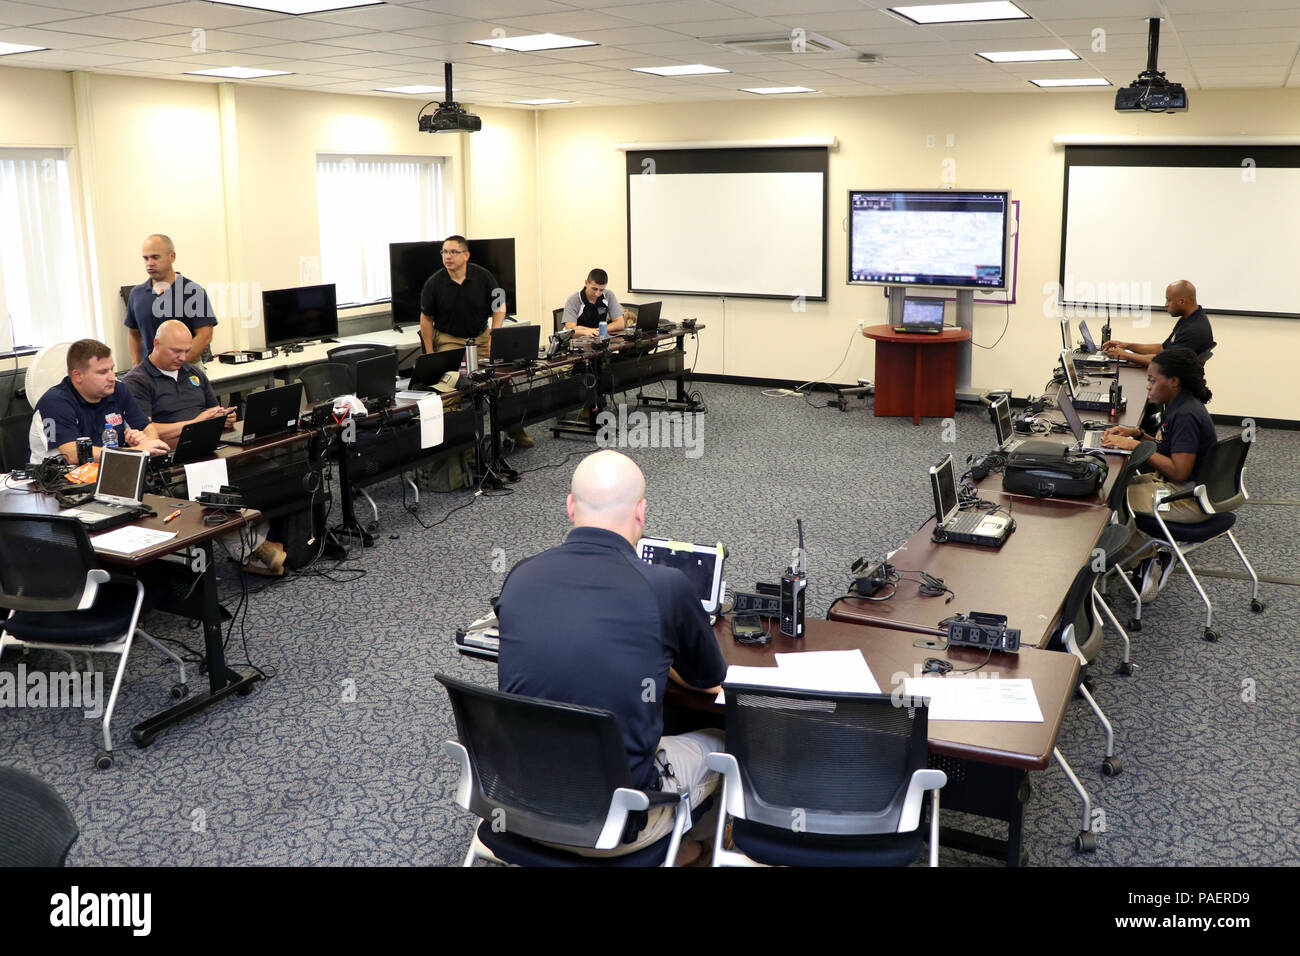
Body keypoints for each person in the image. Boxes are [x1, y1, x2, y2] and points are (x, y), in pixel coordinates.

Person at [495, 450, 726, 864]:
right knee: (722, 741)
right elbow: (709, 679)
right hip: (616, 825)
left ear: (569, 507)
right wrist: (661, 649)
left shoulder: (521, 574)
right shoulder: (665, 588)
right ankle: (688, 850)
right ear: (641, 512)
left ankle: (682, 847)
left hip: (519, 804)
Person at [1102, 347, 1218, 600]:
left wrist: (1136, 447)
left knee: (1110, 500)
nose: (1148, 387)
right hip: (1188, 489)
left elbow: (1178, 471)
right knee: (1120, 485)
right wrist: (1138, 435)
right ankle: (1145, 556)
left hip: (1186, 499)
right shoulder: (1179, 404)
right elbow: (1169, 449)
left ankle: (1146, 561)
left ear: (1174, 381)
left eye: (1153, 381)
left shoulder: (1186, 415)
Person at [418, 235, 530, 446]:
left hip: (481, 336)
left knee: (503, 381)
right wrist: (430, 352)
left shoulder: (484, 277)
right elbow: (426, 319)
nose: (447, 257)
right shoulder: (433, 284)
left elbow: (499, 306)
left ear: (466, 255)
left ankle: (515, 430)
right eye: (444, 252)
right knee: (450, 389)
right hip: (450, 339)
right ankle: (454, 445)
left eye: (453, 252)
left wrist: (495, 335)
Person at [29, 339, 169, 463]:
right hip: (55, 484)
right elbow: (71, 454)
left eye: (112, 369)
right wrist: (136, 451)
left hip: (108, 472)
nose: (112, 377)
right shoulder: (54, 402)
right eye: (103, 372)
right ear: (78, 376)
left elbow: (148, 428)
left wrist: (145, 441)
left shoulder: (118, 390)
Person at [123, 320, 235, 446]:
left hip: (207, 445)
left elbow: (213, 411)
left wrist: (223, 418)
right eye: (176, 351)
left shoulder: (193, 372)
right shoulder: (136, 381)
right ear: (157, 344)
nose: (183, 358)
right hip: (170, 452)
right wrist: (194, 424)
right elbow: (144, 430)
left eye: (186, 351)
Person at [125, 234, 218, 367]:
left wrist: (177, 363)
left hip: (186, 371)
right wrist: (136, 363)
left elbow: (204, 336)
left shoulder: (192, 292)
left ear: (172, 256)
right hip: (149, 373)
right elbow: (134, 334)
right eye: (146, 258)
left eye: (155, 257)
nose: (150, 263)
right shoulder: (137, 294)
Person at [1101, 280, 1215, 368]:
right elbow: (1162, 349)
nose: (1166, 304)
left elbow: (1164, 362)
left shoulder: (1194, 329)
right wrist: (1127, 345)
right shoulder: (1190, 318)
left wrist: (1126, 355)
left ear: (1182, 301)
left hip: (1177, 386)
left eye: (1169, 300)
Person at [562, 269, 625, 337]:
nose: (597, 294)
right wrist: (587, 331)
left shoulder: (608, 295)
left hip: (599, 337)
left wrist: (597, 330)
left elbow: (620, 323)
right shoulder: (573, 300)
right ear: (586, 283)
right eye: (594, 289)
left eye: (601, 290)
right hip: (579, 340)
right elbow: (570, 330)